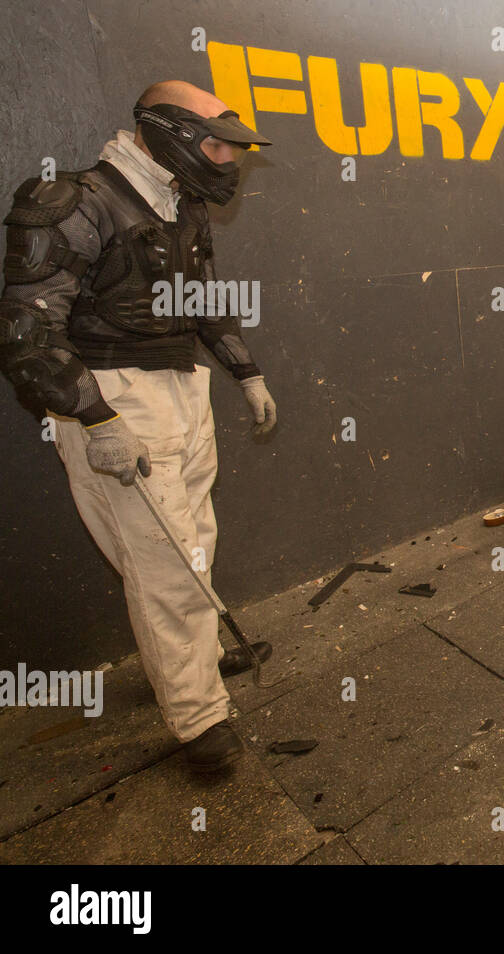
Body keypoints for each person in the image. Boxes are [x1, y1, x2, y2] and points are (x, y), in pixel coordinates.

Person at [0, 81, 278, 771]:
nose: (227, 159)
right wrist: (95, 418)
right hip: (115, 396)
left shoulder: (181, 206)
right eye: (217, 142)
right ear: (172, 133)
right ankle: (199, 719)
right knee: (166, 566)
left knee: (194, 540)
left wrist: (244, 371)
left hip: (183, 385)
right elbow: (25, 330)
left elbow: (202, 294)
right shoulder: (71, 202)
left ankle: (202, 660)